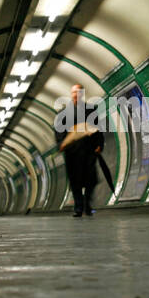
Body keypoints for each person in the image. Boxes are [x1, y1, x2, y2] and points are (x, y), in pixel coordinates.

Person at [54, 84, 104, 217]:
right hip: (72, 152)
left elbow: (98, 128)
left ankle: (87, 204)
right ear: (71, 95)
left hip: (89, 149)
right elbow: (59, 131)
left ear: (82, 94)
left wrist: (99, 144)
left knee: (90, 180)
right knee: (75, 180)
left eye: (78, 92)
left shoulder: (91, 110)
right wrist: (61, 143)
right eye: (74, 92)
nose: (76, 95)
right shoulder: (63, 113)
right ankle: (78, 207)